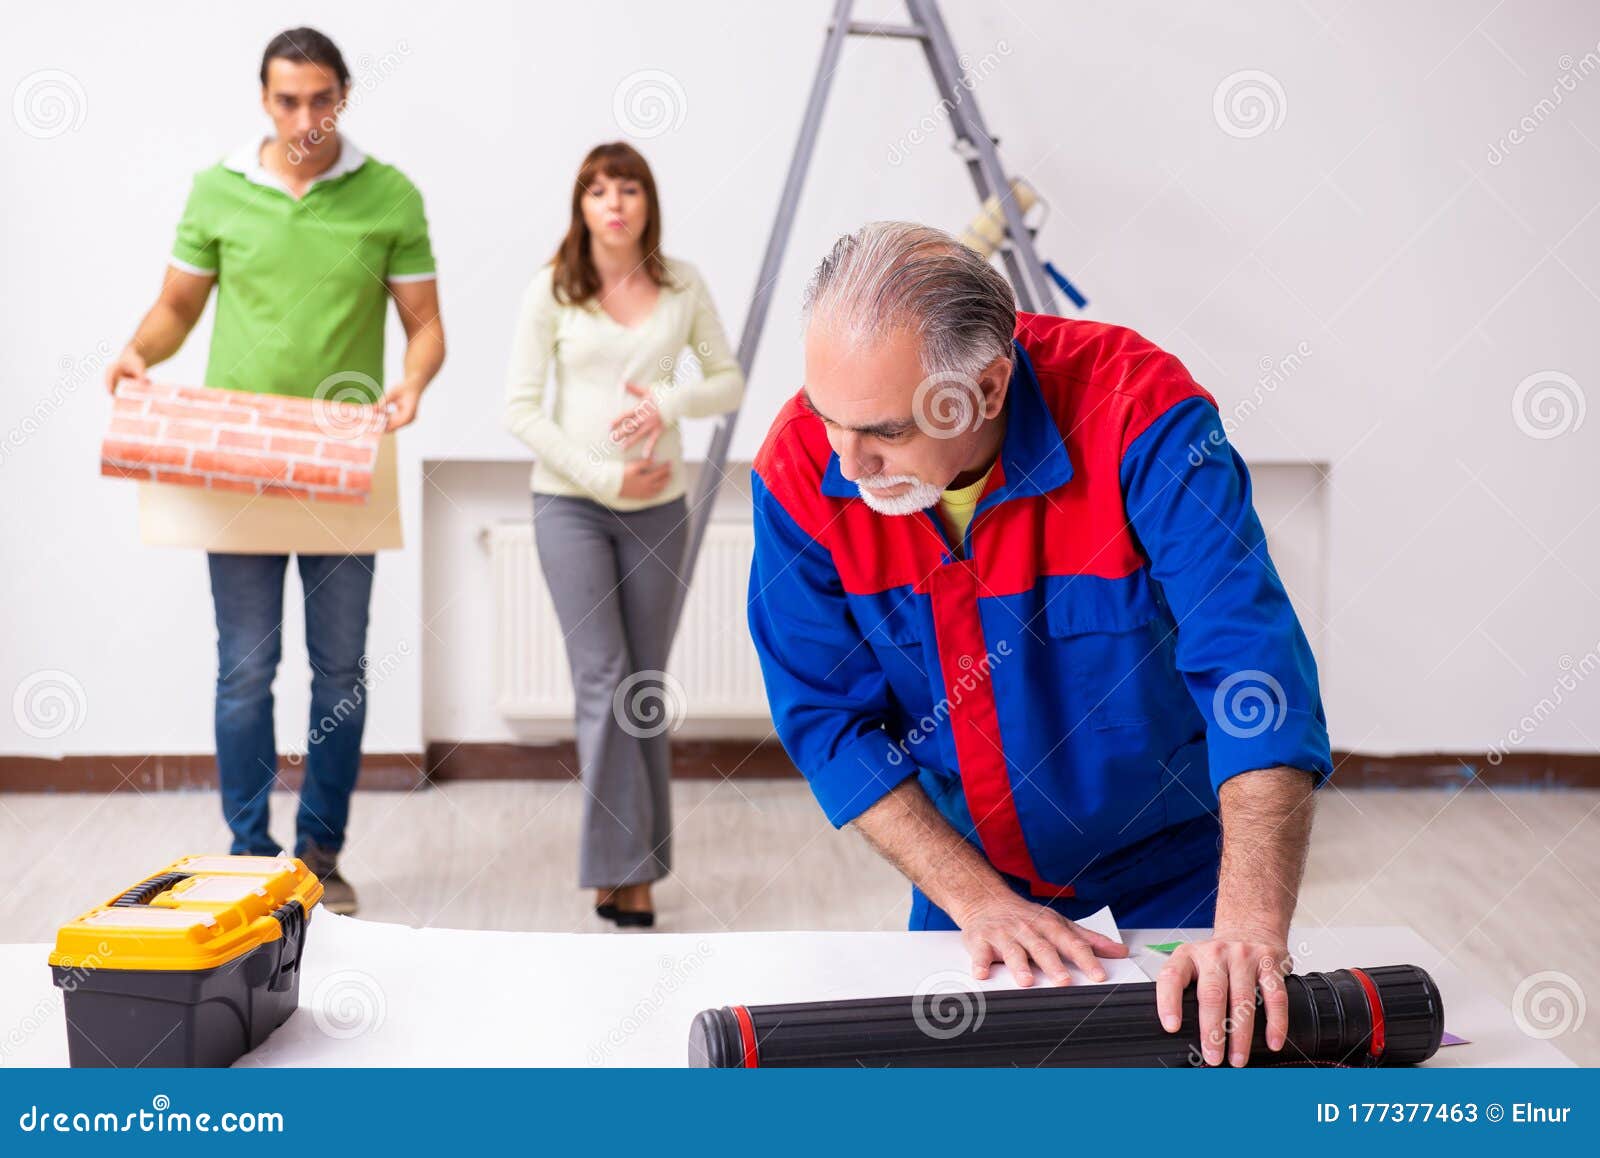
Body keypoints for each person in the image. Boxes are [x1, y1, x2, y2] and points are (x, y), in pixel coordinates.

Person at [747, 221, 1331, 1065]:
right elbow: (829, 723)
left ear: (985, 389)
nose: (847, 460)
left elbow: (1254, 672)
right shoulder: (800, 467)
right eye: (826, 415)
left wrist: (1246, 930)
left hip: (1179, 880)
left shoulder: (1141, 414)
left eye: (883, 431)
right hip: (970, 888)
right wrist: (976, 901)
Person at [103, 28, 445, 913]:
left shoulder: (391, 195)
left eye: (321, 99)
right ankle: (251, 857)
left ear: (344, 97)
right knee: (245, 671)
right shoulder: (219, 190)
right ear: (265, 100)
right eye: (287, 100)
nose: (305, 117)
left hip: (345, 461)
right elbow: (179, 307)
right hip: (239, 461)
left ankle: (320, 856)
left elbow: (426, 324)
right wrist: (139, 353)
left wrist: (410, 385)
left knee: (339, 674)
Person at [504, 142, 744, 928]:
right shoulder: (553, 290)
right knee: (604, 684)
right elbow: (521, 409)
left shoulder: (682, 286)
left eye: (628, 187)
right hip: (570, 506)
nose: (614, 203)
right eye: (598, 190)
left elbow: (728, 381)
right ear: (580, 204)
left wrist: (669, 405)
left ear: (648, 200)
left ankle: (637, 863)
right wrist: (603, 478)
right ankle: (623, 874)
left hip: (661, 508)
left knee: (641, 690)